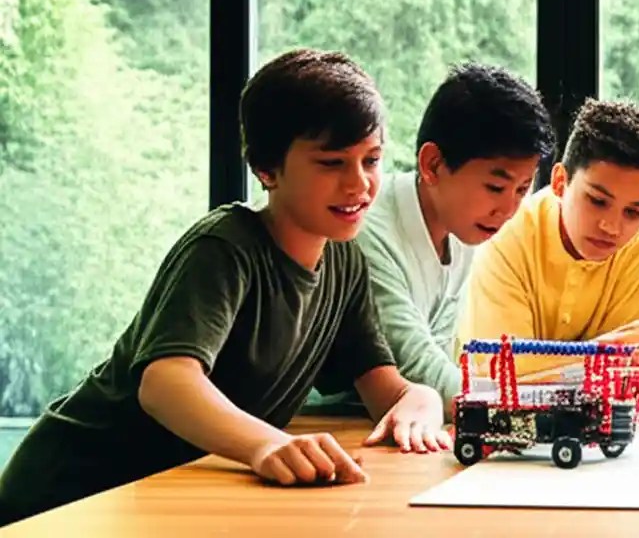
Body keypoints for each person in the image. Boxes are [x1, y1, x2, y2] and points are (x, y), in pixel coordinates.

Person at [0, 49, 452, 527]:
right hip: (72, 495)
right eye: (331, 163)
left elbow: (382, 385)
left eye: (372, 160)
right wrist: (267, 444)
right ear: (266, 169)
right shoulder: (224, 247)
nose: (358, 183)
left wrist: (417, 400)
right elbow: (166, 383)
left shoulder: (344, 260)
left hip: (169, 495)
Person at [346, 63, 554, 410]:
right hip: (320, 427)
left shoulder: (463, 229)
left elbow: (442, 360)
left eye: (522, 189)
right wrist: (544, 406)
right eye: (495, 186)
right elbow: (416, 368)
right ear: (432, 165)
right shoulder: (367, 232)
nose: (508, 209)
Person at [454, 98, 639, 379]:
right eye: (598, 201)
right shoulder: (507, 233)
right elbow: (501, 370)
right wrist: (611, 352)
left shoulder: (637, 248)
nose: (611, 227)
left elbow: (628, 365)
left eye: (634, 212)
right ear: (560, 182)